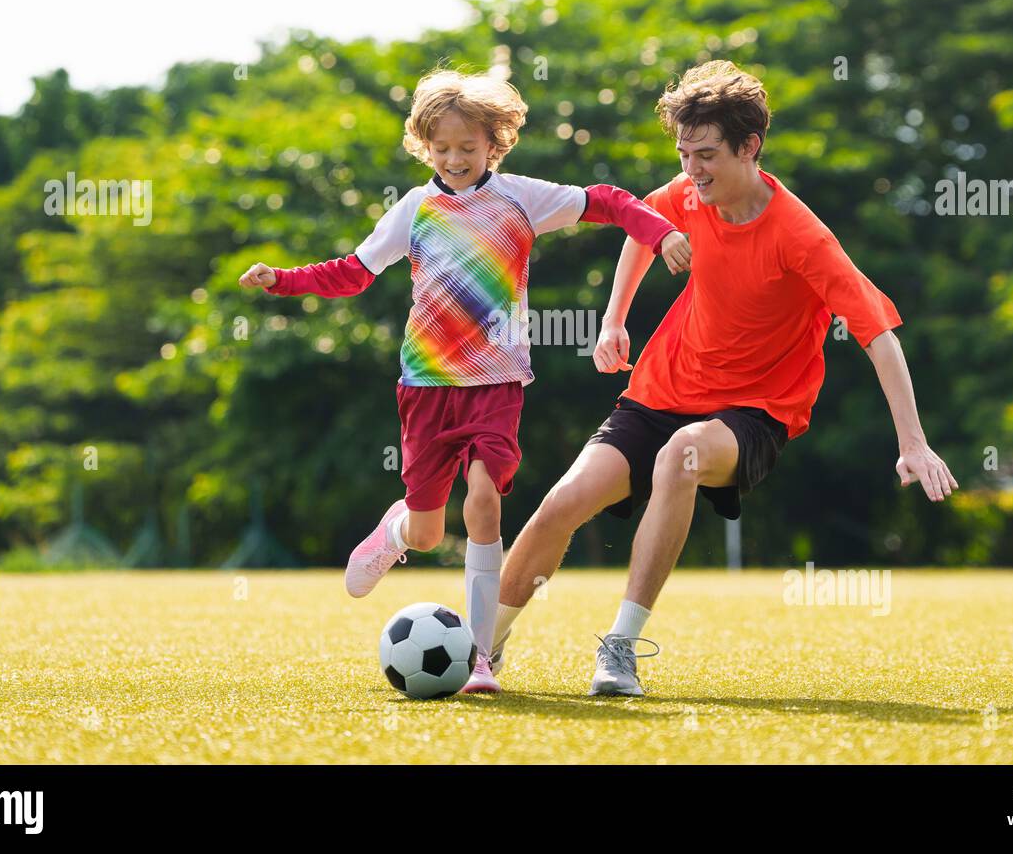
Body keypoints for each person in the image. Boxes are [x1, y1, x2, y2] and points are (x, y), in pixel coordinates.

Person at [489, 60, 959, 696]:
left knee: (681, 457)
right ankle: (483, 651)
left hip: (755, 411)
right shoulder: (686, 196)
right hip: (660, 391)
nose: (692, 170)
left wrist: (912, 442)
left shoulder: (802, 236)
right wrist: (613, 320)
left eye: (706, 154)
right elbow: (639, 225)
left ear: (750, 147)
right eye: (684, 153)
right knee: (560, 505)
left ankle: (621, 649)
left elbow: (878, 334)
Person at [238, 68, 690, 694]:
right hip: (425, 391)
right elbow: (354, 272)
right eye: (442, 148)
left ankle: (481, 660)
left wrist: (661, 231)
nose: (455, 159)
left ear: (494, 145)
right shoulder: (414, 209)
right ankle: (395, 531)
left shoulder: (520, 198)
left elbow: (609, 201)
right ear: (425, 146)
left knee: (483, 503)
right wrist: (282, 279)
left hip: (496, 388)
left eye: (468, 148)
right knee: (429, 532)